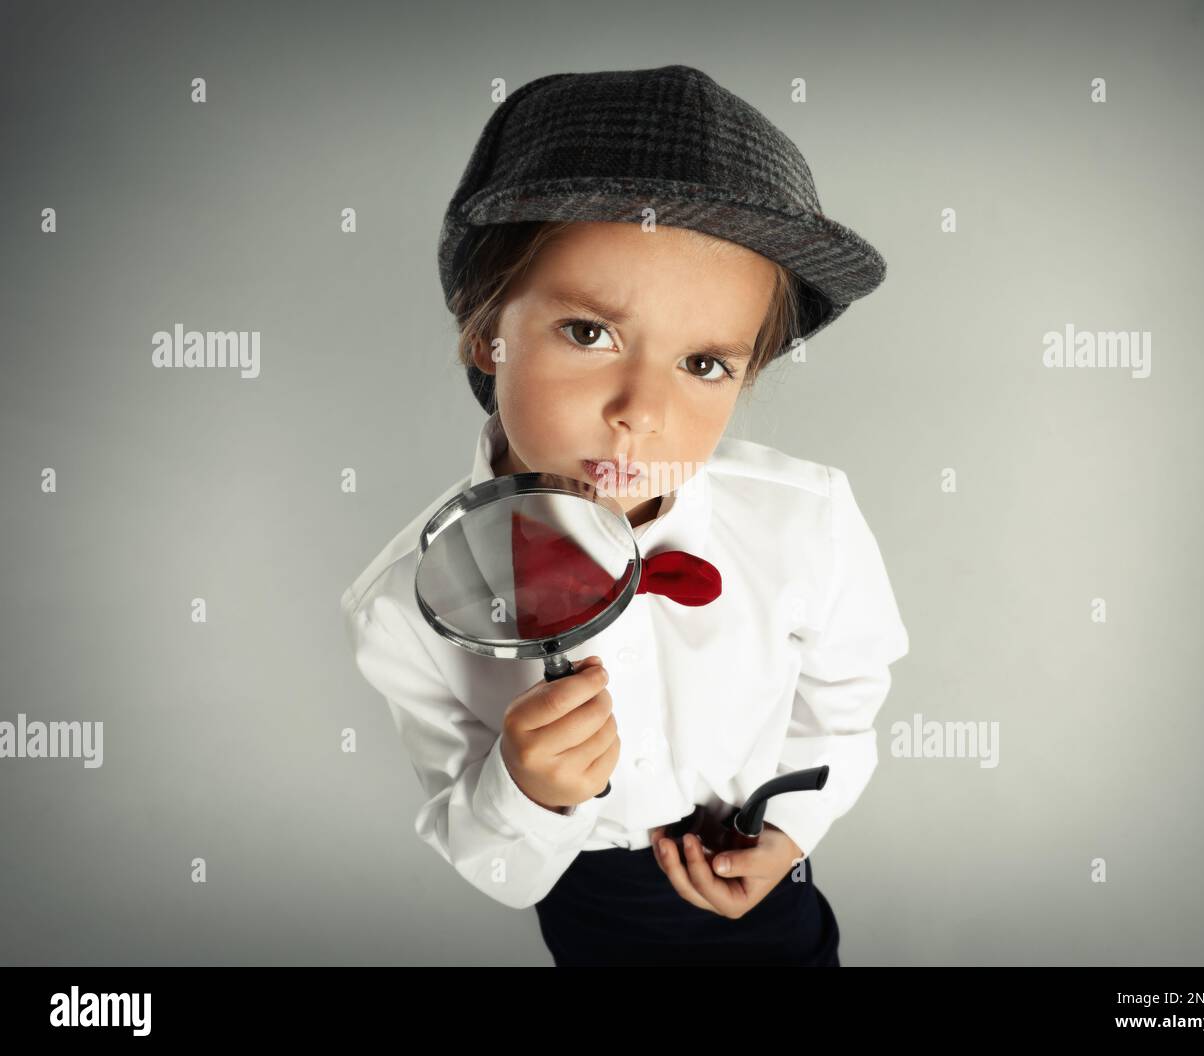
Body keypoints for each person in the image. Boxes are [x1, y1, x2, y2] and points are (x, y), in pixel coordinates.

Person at [340, 64, 909, 966]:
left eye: (705, 364)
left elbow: (845, 708)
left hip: (763, 874)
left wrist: (792, 836)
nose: (640, 411)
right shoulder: (404, 603)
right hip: (595, 903)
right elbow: (496, 865)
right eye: (589, 334)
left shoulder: (809, 521)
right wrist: (527, 792)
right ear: (486, 328)